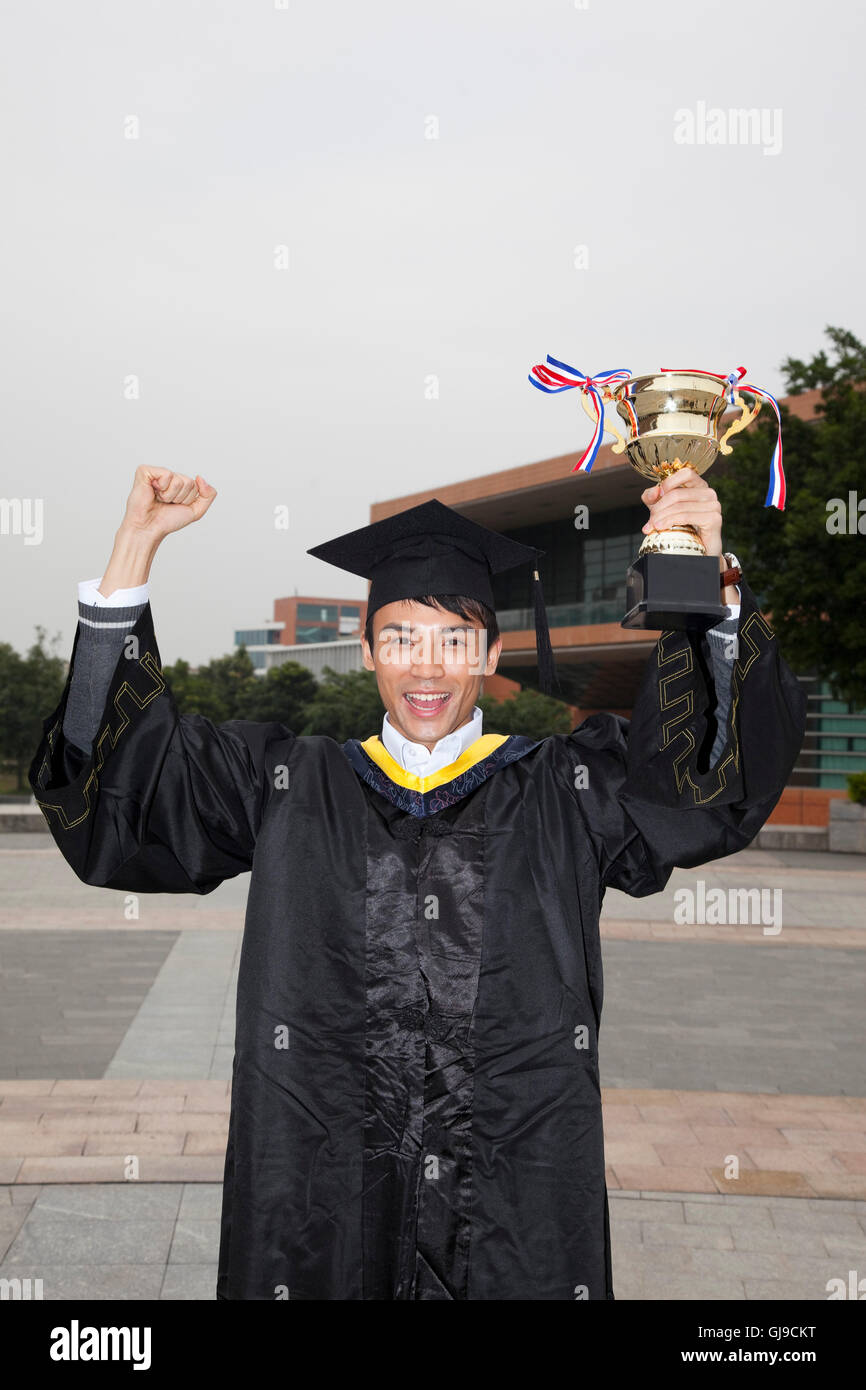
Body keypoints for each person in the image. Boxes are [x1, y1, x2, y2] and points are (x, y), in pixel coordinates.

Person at [29, 465, 806, 1301]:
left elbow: (702, 792)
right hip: (325, 1194)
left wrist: (703, 571)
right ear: (367, 652)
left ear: (493, 653)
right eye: (399, 638)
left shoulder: (567, 788)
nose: (426, 667)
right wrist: (136, 545)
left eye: (455, 639)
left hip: (512, 1193)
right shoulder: (285, 783)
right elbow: (122, 788)